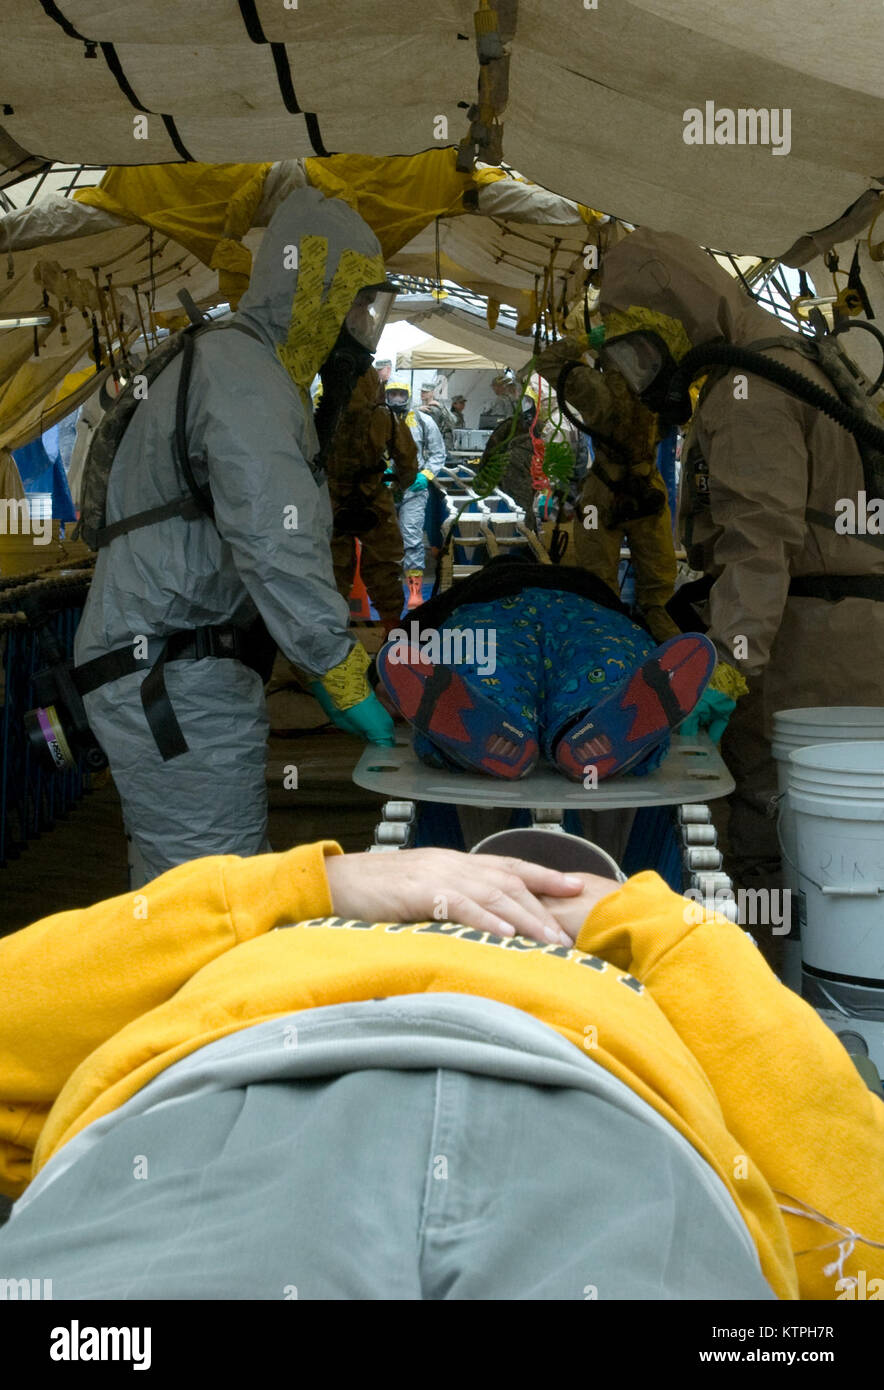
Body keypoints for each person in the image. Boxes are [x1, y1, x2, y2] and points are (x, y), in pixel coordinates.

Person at [1, 839, 881, 1301]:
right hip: (603, 1140)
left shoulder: (264, 948)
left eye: (545, 883)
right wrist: (667, 928)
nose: (509, 894)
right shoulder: (655, 990)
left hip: (209, 1130)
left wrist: (317, 893)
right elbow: (853, 1194)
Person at [73, 188, 396, 883]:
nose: (364, 327)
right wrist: (338, 672)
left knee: (201, 879)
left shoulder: (240, 364)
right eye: (357, 302)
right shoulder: (245, 378)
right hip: (169, 677)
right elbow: (275, 540)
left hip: (180, 670)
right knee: (207, 893)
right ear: (314, 286)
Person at [597, 226, 884, 897]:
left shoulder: (749, 393)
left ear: (679, 321)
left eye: (644, 353)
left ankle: (777, 989)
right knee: (848, 842)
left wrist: (728, 669)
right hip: (847, 637)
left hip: (809, 649)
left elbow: (761, 543)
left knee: (778, 835)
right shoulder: (797, 362)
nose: (647, 379)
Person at [375, 556, 715, 781]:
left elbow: (406, 638)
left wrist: (378, 679)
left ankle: (493, 723)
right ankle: (592, 722)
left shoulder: (471, 587)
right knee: (605, 660)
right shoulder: (584, 578)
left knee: (484, 664)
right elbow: (636, 630)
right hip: (587, 610)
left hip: (489, 608)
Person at [535, 338, 681, 644]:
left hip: (601, 495)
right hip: (647, 489)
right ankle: (672, 654)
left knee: (597, 583)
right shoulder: (660, 387)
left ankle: (604, 650)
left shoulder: (594, 387)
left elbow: (547, 363)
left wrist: (581, 342)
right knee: (659, 590)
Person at [327, 366, 418, 634]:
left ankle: (333, 637)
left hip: (330, 500)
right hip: (374, 498)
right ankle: (391, 631)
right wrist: (401, 483)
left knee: (332, 571)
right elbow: (407, 460)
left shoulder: (321, 416)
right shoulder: (384, 418)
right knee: (384, 567)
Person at [385, 380, 446, 609]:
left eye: (402, 394)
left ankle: (414, 591)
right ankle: (388, 590)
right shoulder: (377, 420)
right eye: (393, 394)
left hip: (414, 488)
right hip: (384, 490)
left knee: (411, 538)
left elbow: (438, 453)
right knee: (385, 541)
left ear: (408, 395)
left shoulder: (423, 420)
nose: (397, 399)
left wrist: (426, 476)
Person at [419, 383, 457, 453]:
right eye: (422, 391)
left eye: (425, 392)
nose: (422, 394)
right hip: (421, 443)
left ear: (432, 393)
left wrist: (441, 407)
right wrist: (417, 410)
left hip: (434, 444)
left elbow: (453, 421)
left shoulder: (436, 408)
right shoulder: (419, 407)